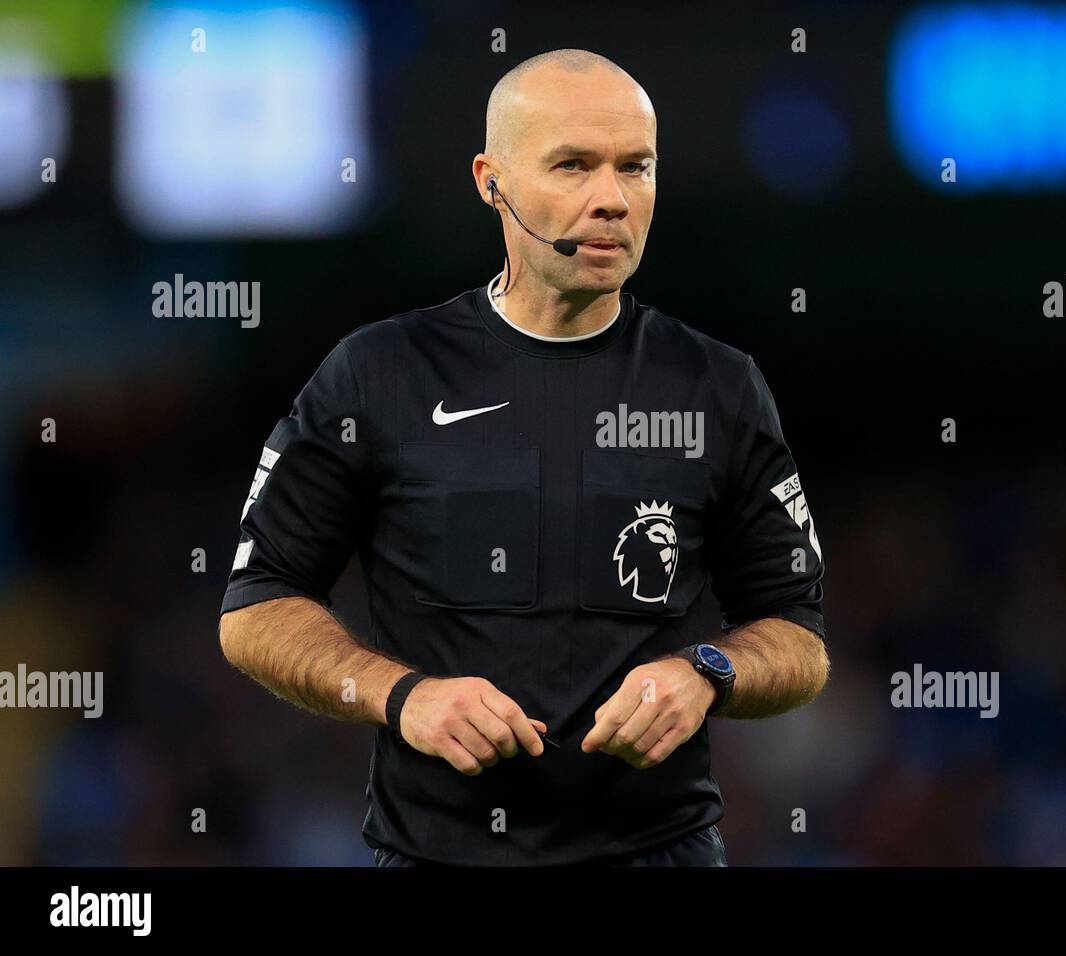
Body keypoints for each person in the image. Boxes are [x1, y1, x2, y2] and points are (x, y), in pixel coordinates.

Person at [218, 48, 829, 866]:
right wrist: (403, 697)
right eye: (573, 165)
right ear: (491, 179)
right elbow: (256, 608)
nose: (611, 199)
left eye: (635, 168)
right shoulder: (380, 374)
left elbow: (799, 635)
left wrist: (706, 670)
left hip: (660, 853)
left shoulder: (718, 385)